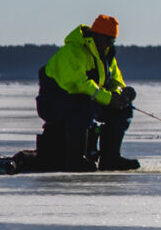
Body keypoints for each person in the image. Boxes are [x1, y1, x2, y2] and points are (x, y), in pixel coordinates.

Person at [34, 14, 138, 171]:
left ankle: (110, 158)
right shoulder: (73, 51)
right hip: (54, 104)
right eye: (107, 39)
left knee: (124, 109)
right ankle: (75, 159)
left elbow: (115, 80)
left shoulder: (108, 56)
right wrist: (110, 99)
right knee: (81, 104)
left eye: (112, 40)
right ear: (95, 36)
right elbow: (79, 85)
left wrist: (121, 94)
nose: (109, 44)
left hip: (89, 101)